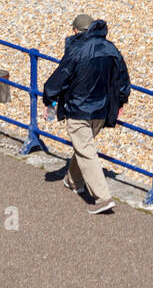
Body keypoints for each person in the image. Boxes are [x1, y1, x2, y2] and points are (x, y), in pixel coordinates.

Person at [42, 13, 130, 214]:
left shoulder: (76, 50)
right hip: (103, 110)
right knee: (85, 146)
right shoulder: (112, 49)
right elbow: (123, 78)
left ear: (75, 30)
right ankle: (73, 180)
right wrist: (121, 101)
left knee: (87, 150)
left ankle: (103, 197)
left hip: (79, 109)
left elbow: (59, 79)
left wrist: (48, 99)